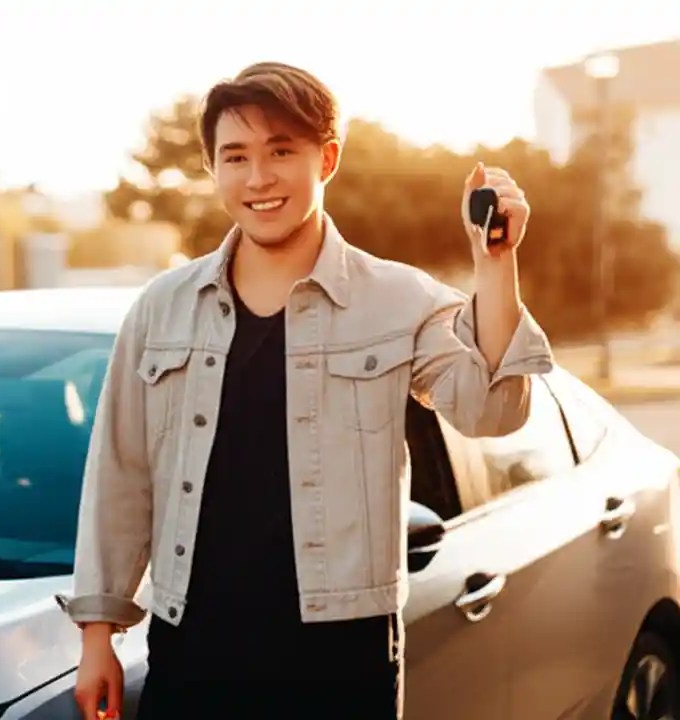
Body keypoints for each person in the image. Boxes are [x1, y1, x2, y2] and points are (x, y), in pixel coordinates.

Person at [59, 61, 555, 718]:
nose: (258, 178)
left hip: (340, 657)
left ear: (327, 158)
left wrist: (495, 265)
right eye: (235, 156)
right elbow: (120, 473)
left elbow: (491, 411)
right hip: (192, 647)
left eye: (281, 151)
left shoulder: (397, 298)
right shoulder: (163, 308)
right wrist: (99, 634)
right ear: (212, 169)